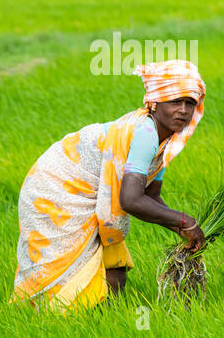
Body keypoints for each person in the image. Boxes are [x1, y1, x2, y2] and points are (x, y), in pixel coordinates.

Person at [11, 60, 207, 313]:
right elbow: (131, 200)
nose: (182, 110)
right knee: (67, 266)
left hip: (83, 191)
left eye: (189, 103)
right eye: (174, 102)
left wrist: (182, 229)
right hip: (56, 190)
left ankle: (103, 321)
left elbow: (150, 196)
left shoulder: (164, 139)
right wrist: (185, 222)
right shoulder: (145, 134)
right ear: (155, 103)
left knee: (114, 272)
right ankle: (53, 319)